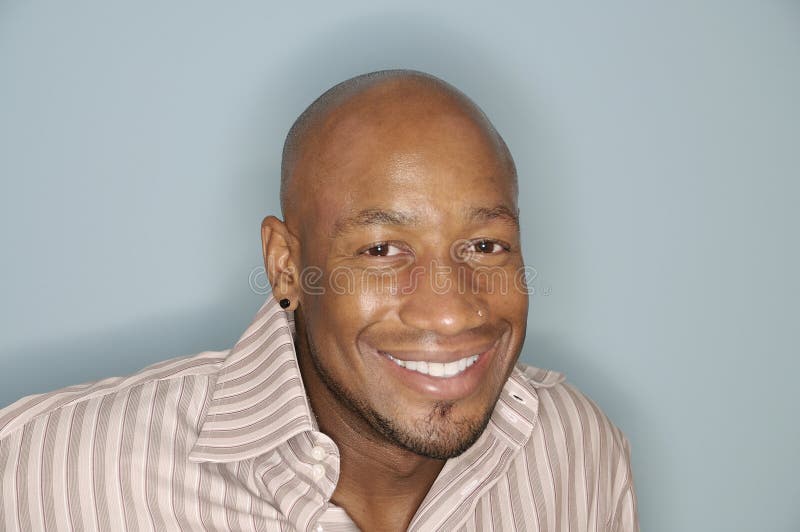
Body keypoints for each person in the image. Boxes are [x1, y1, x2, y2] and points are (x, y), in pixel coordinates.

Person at [0, 70, 638, 531]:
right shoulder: (50, 472)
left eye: (486, 245)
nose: (449, 310)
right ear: (285, 265)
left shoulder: (578, 451)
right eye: (383, 250)